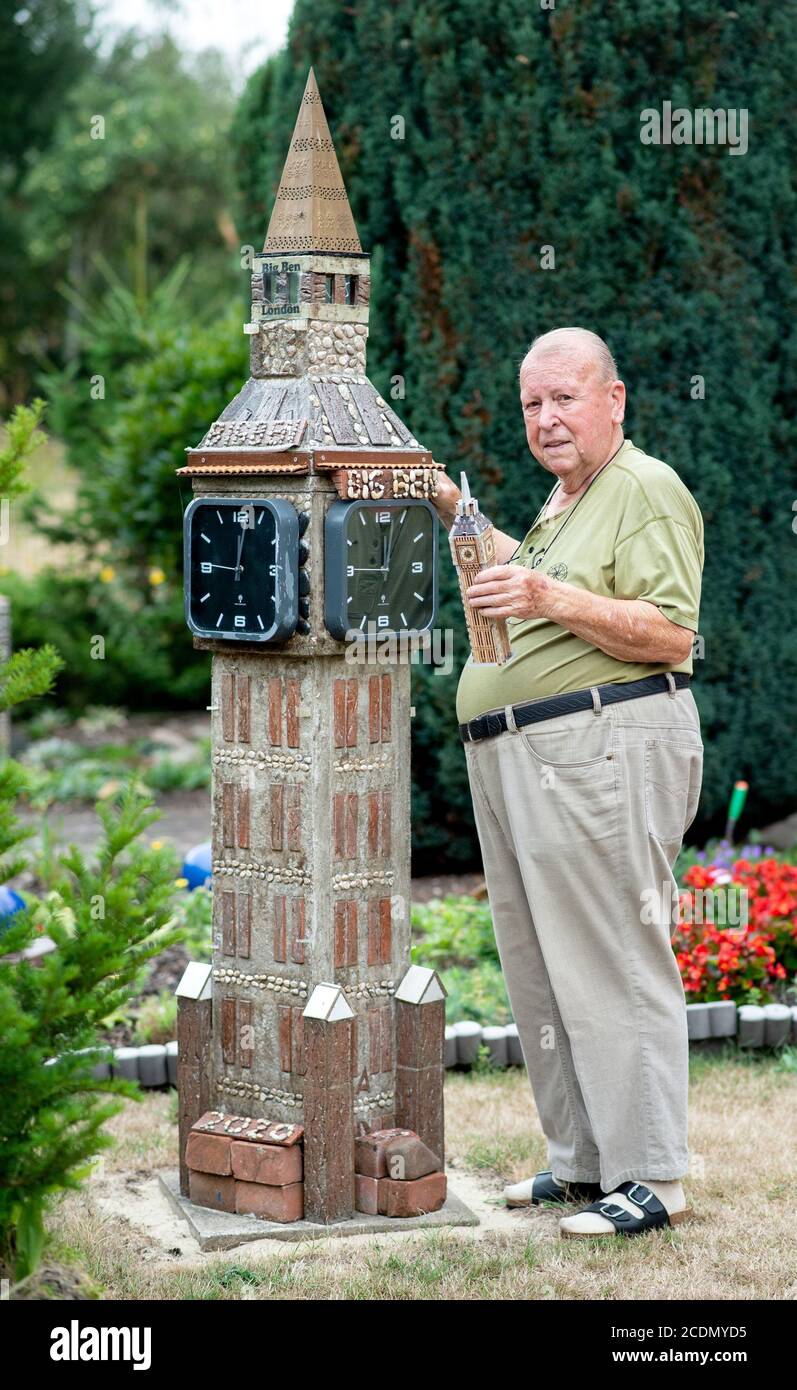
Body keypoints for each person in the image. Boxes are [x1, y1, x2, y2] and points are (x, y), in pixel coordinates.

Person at [432, 326, 705, 1239]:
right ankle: (585, 1162)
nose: (546, 419)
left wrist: (542, 597)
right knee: (543, 968)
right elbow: (531, 573)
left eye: (564, 398)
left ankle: (651, 1177)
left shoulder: (643, 487)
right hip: (524, 755)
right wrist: (445, 500)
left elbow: (670, 632)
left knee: (613, 957)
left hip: (601, 746)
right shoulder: (564, 502)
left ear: (613, 400)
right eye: (531, 404)